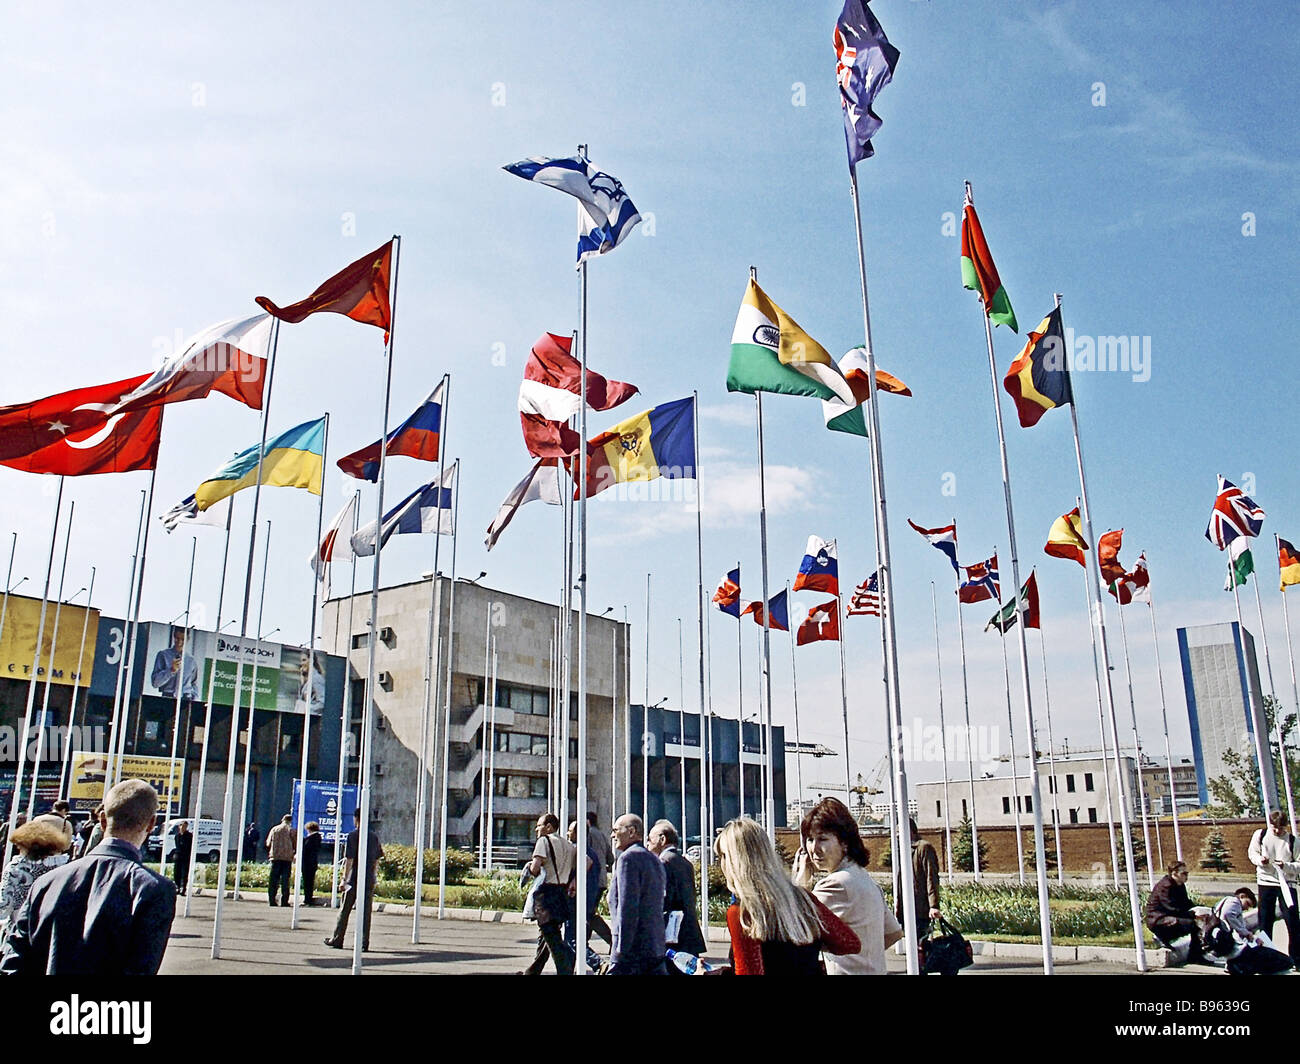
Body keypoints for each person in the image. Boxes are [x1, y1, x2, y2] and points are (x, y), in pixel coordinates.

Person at [0, 779, 176, 975]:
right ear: (151, 823)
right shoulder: (153, 890)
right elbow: (140, 969)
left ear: (102, 819)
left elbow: (13, 962)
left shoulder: (46, 883)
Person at [715, 817, 860, 976]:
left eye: (723, 856)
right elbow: (849, 943)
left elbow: (750, 971)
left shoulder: (743, 913)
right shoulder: (804, 899)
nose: (721, 864)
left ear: (737, 861)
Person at [793, 797, 902, 975]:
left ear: (844, 842)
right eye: (810, 840)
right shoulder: (864, 878)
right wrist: (863, 956)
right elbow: (893, 933)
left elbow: (792, 922)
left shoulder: (835, 884)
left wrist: (801, 877)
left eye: (822, 839)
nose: (814, 848)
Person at [608, 813, 667, 975]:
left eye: (616, 830)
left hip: (633, 949)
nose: (612, 835)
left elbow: (628, 906)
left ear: (632, 832)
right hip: (654, 945)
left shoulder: (628, 858)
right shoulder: (653, 858)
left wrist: (622, 949)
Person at [520, 813, 576, 976]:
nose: (537, 829)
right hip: (561, 894)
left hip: (546, 895)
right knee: (546, 936)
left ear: (549, 827)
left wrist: (530, 868)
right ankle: (532, 971)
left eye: (539, 825)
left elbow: (535, 868)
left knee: (552, 938)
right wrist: (572, 881)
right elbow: (585, 862)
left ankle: (566, 967)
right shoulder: (568, 845)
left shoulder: (543, 841)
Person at [0, 821, 69, 946]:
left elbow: (4, 905)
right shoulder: (64, 866)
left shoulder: (15, 868)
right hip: (54, 936)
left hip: (20, 935)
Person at [646, 819, 706, 958]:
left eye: (649, 839)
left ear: (662, 839)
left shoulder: (663, 862)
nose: (647, 844)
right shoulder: (685, 862)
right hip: (688, 930)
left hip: (671, 933)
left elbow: (663, 899)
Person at [324, 810, 382, 951]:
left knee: (345, 910)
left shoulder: (353, 836)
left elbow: (349, 859)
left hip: (354, 878)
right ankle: (364, 942)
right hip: (368, 878)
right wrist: (374, 876)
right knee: (366, 912)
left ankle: (338, 939)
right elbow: (376, 859)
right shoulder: (374, 837)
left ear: (356, 819)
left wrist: (344, 879)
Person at [1248, 810, 1300, 965]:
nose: (1277, 831)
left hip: (1287, 883)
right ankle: (1265, 957)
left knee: (1293, 921)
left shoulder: (1293, 841)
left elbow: (1298, 864)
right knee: (1265, 921)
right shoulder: (1260, 835)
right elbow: (1252, 854)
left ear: (1286, 826)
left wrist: (1286, 866)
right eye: (1274, 827)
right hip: (1266, 882)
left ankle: (1297, 958)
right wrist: (1260, 860)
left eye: (1281, 828)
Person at [563, 820, 611, 961]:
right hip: (589, 897)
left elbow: (587, 862)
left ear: (578, 833)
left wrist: (574, 882)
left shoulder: (578, 851)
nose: (567, 833)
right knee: (574, 938)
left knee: (572, 939)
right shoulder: (593, 852)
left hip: (576, 900)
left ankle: (597, 963)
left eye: (570, 830)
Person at [1145, 860, 1203, 962]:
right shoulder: (1166, 886)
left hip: (1169, 916)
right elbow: (1171, 907)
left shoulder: (1179, 884)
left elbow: (1185, 903)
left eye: (1187, 873)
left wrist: (1199, 909)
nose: (1186, 876)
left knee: (1196, 923)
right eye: (1184, 873)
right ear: (1174, 873)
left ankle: (1195, 954)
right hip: (1158, 919)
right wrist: (1191, 915)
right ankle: (1162, 937)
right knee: (1193, 925)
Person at [895, 818, 941, 936]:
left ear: (910, 830)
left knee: (921, 944)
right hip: (906, 909)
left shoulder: (923, 848)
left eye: (899, 831)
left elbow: (931, 877)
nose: (897, 835)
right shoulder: (903, 850)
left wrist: (933, 906)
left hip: (920, 908)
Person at [150, 624, 198, 700]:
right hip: (168, 697)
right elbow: (155, 683)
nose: (179, 642)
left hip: (186, 698)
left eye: (183, 639)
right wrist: (171, 670)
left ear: (188, 639)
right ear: (173, 636)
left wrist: (194, 699)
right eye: (177, 638)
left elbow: (194, 683)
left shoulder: (191, 660)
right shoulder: (163, 655)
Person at [265, 814, 296, 907]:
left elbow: (268, 843)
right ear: (290, 821)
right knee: (285, 881)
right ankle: (284, 901)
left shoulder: (274, 829)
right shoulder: (291, 830)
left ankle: (272, 900)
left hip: (275, 857)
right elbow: (295, 843)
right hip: (287, 858)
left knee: (273, 880)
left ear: (282, 820)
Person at [301, 821, 322, 906]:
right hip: (312, 863)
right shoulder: (317, 838)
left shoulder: (311, 838)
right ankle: (308, 898)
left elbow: (306, 849)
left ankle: (307, 899)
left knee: (307, 882)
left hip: (308, 863)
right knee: (309, 881)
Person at [171, 821, 192, 896]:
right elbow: (177, 846)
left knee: (184, 873)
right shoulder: (177, 836)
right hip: (178, 856)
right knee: (177, 872)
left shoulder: (189, 836)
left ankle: (183, 888)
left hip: (185, 856)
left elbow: (189, 846)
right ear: (179, 827)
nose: (183, 828)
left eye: (185, 826)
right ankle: (178, 886)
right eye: (182, 826)